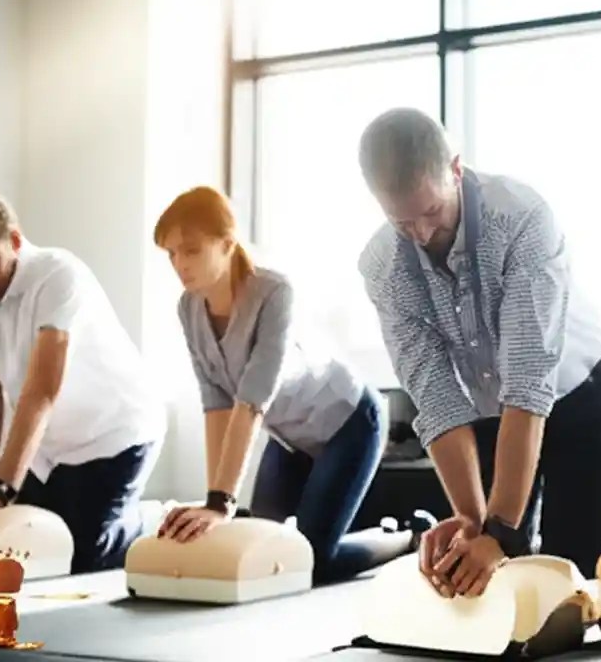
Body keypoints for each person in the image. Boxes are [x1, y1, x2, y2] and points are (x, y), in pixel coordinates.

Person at [356, 107, 601, 598]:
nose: (420, 233)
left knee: (564, 587)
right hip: (487, 408)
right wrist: (473, 524)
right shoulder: (382, 267)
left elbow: (527, 382)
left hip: (577, 393)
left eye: (431, 212)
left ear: (456, 170)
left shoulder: (523, 218)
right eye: (401, 222)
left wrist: (499, 532)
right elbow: (436, 396)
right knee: (492, 581)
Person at [152, 186, 421, 585]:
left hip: (349, 423)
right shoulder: (188, 308)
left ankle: (409, 537)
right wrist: (214, 502)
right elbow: (217, 406)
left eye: (190, 250)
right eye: (171, 253)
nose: (179, 264)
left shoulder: (274, 292)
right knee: (262, 554)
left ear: (227, 244)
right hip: (288, 439)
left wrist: (221, 503)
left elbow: (250, 402)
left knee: (312, 562)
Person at [0, 190, 164, 573]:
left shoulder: (59, 275)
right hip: (49, 451)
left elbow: (42, 390)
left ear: (14, 240)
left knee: (82, 556)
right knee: (32, 549)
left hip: (115, 434)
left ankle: (154, 523)